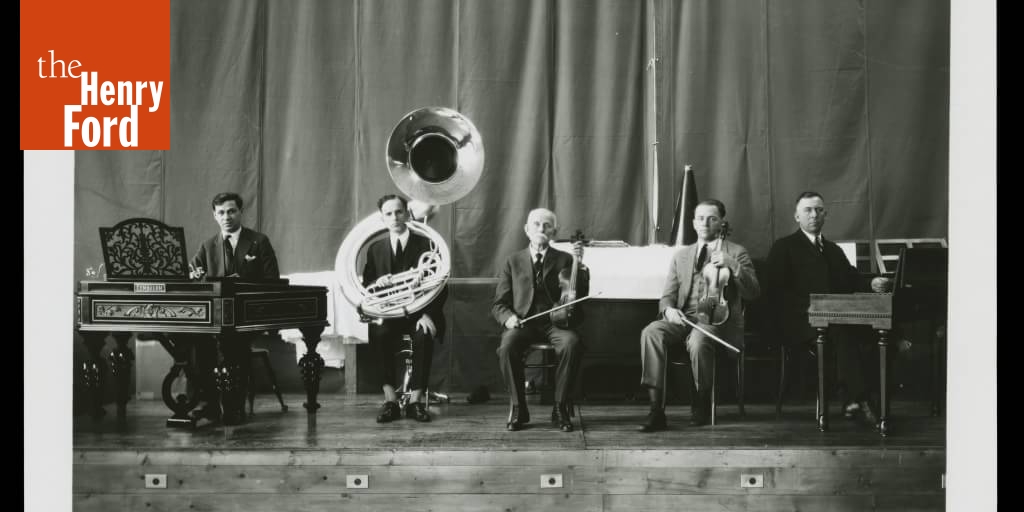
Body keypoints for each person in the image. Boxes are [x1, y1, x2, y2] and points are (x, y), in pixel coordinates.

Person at [638, 199, 760, 432]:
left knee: (699, 340)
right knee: (651, 332)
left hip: (718, 319)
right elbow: (667, 296)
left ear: (721, 222)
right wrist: (668, 310)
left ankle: (701, 401)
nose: (705, 222)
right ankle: (656, 408)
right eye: (700, 218)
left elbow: (753, 292)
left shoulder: (736, 252)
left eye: (712, 218)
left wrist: (733, 265)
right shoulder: (681, 256)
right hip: (684, 317)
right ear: (693, 223)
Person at [764, 191, 877, 425]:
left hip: (833, 320)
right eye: (808, 210)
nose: (814, 215)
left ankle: (865, 400)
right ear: (797, 216)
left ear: (825, 214)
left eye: (818, 210)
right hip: (797, 323)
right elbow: (774, 292)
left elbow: (852, 280)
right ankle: (856, 400)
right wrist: (811, 309)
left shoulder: (834, 250)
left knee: (877, 331)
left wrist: (872, 283)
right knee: (843, 331)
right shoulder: (784, 247)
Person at [188, 192, 281, 425]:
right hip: (216, 319)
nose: (226, 217)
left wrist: (244, 282)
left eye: (231, 211)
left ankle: (233, 406)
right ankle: (208, 403)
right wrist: (195, 277)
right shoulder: (207, 246)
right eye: (221, 212)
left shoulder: (259, 241)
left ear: (241, 212)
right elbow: (192, 276)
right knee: (196, 341)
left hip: (249, 317)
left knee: (231, 344)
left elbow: (272, 281)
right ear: (214, 216)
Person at [492, 208, 588, 432]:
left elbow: (578, 295)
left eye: (546, 225)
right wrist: (508, 319)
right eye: (536, 224)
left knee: (571, 343)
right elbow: (499, 304)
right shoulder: (512, 261)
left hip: (556, 322)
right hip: (523, 323)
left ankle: (560, 407)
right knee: (507, 347)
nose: (541, 229)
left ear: (554, 231)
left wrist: (579, 265)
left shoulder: (566, 259)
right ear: (526, 229)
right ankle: (519, 408)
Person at [361, 194, 447, 423]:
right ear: (382, 219)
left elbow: (441, 286)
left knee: (424, 335)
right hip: (389, 314)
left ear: (408, 214)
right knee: (378, 334)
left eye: (399, 212)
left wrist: (428, 314)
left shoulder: (427, 244)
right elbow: (367, 288)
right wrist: (376, 286)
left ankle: (415, 402)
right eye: (388, 213)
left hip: (419, 313)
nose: (394, 217)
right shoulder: (375, 249)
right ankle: (390, 400)